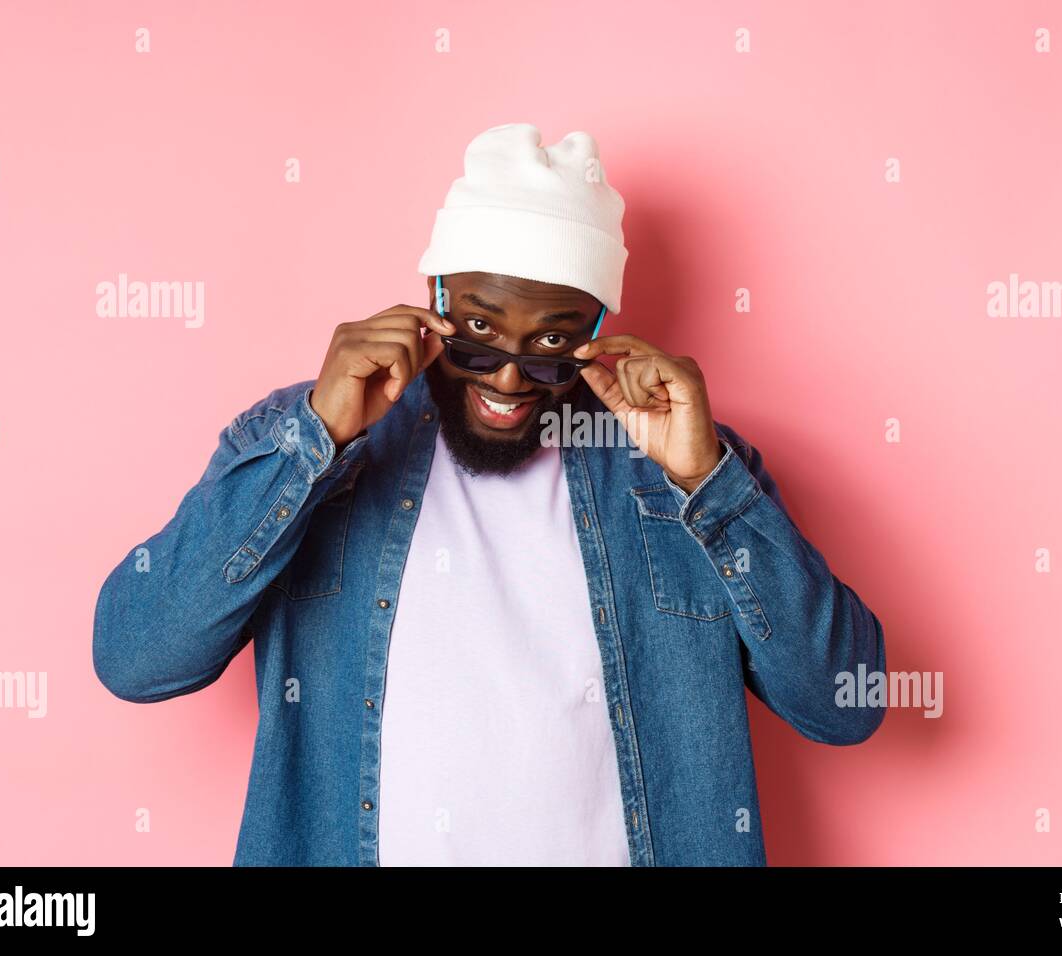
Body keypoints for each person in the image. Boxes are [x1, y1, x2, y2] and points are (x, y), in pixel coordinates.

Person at [92, 122, 887, 866]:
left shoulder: (682, 461)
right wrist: (312, 446)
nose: (509, 378)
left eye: (550, 344)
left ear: (597, 326)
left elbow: (846, 706)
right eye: (478, 332)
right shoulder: (308, 439)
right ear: (434, 298)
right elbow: (137, 658)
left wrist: (705, 483)